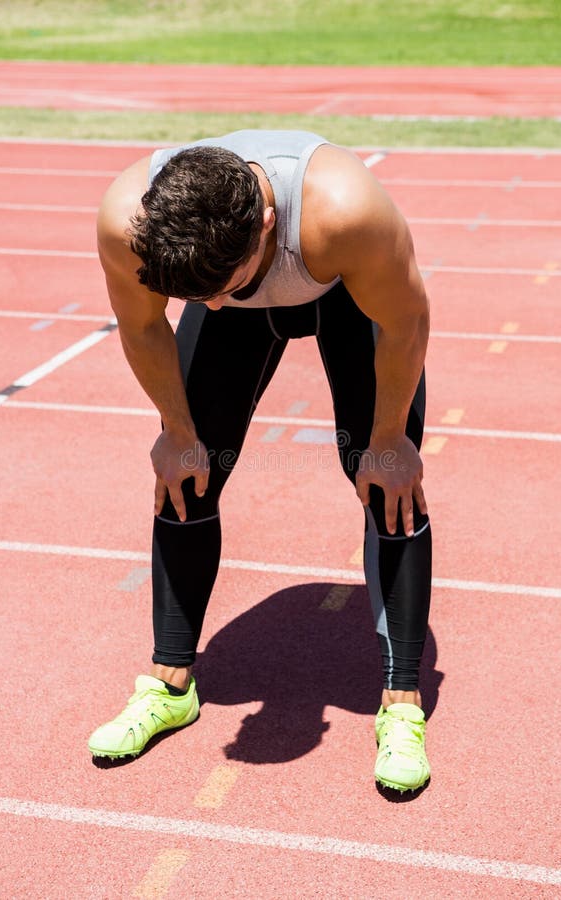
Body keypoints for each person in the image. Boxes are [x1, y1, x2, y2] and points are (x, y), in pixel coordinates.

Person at [88, 130, 432, 792]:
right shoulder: (126, 220)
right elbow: (142, 324)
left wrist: (390, 440)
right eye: (200, 294)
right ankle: (169, 685)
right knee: (186, 473)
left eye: (222, 287)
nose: (213, 305)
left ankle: (401, 701)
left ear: (266, 224)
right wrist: (176, 430)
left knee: (387, 480)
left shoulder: (347, 211)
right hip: (237, 274)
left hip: (341, 290)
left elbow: (406, 322)